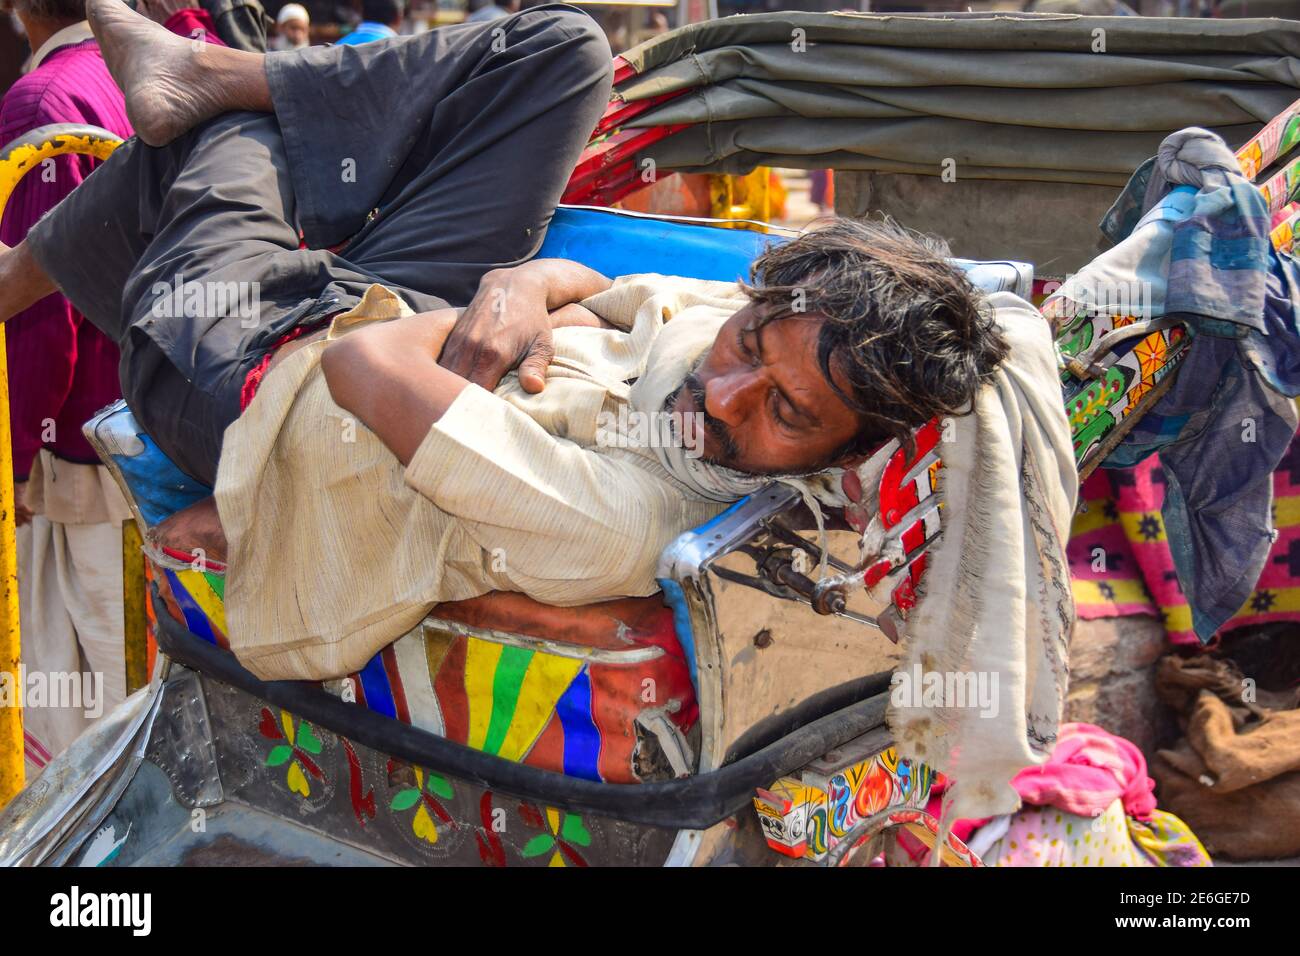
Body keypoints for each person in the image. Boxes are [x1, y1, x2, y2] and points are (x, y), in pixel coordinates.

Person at [0, 0, 1014, 682]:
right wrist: (523, 288)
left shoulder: (623, 515)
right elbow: (604, 285)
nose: (724, 392)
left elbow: (364, 364)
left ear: (839, 458)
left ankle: (48, 250)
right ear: (756, 305)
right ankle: (223, 80)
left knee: (226, 142)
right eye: (747, 342)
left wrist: (502, 321)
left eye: (784, 413)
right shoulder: (765, 330)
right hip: (394, 317)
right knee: (559, 51)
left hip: (262, 384)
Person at [0, 0, 225, 774]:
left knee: (80, 706)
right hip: (151, 431)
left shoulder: (42, 102)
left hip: (79, 458)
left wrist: (20, 456)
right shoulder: (122, 69)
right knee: (134, 678)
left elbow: (41, 315)